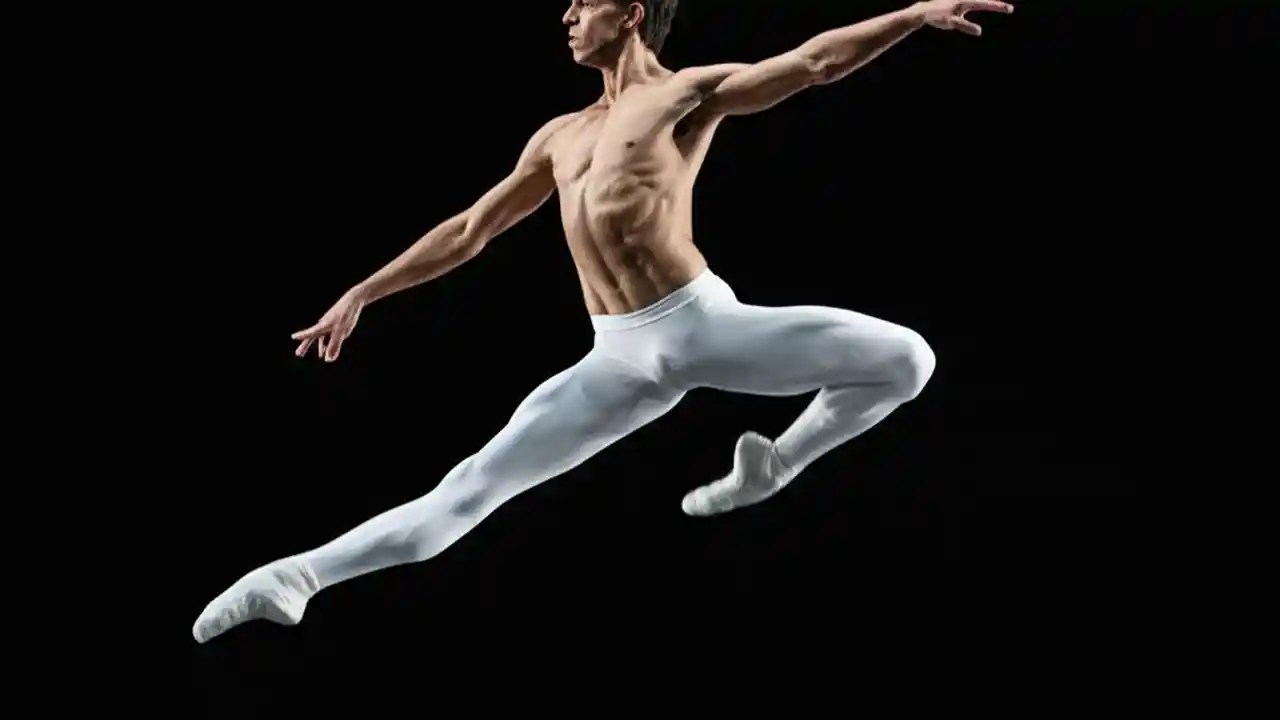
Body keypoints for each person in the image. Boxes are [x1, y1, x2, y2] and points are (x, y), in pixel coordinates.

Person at [193, 0, 1015, 644]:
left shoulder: (686, 94)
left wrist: (909, 17)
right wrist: (364, 292)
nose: (565, 17)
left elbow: (813, 64)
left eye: (583, 3)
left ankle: (779, 465)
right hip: (618, 357)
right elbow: (470, 230)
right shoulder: (561, 135)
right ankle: (295, 577)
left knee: (908, 358)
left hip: (699, 324)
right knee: (468, 489)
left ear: (629, 15)